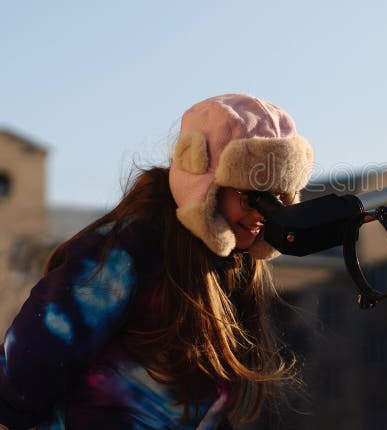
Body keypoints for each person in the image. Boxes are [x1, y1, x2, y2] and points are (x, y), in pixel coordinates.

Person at [0, 93, 314, 429]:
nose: (261, 214)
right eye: (253, 195)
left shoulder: (231, 266)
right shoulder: (126, 250)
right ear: (205, 182)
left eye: (280, 197)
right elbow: (31, 363)